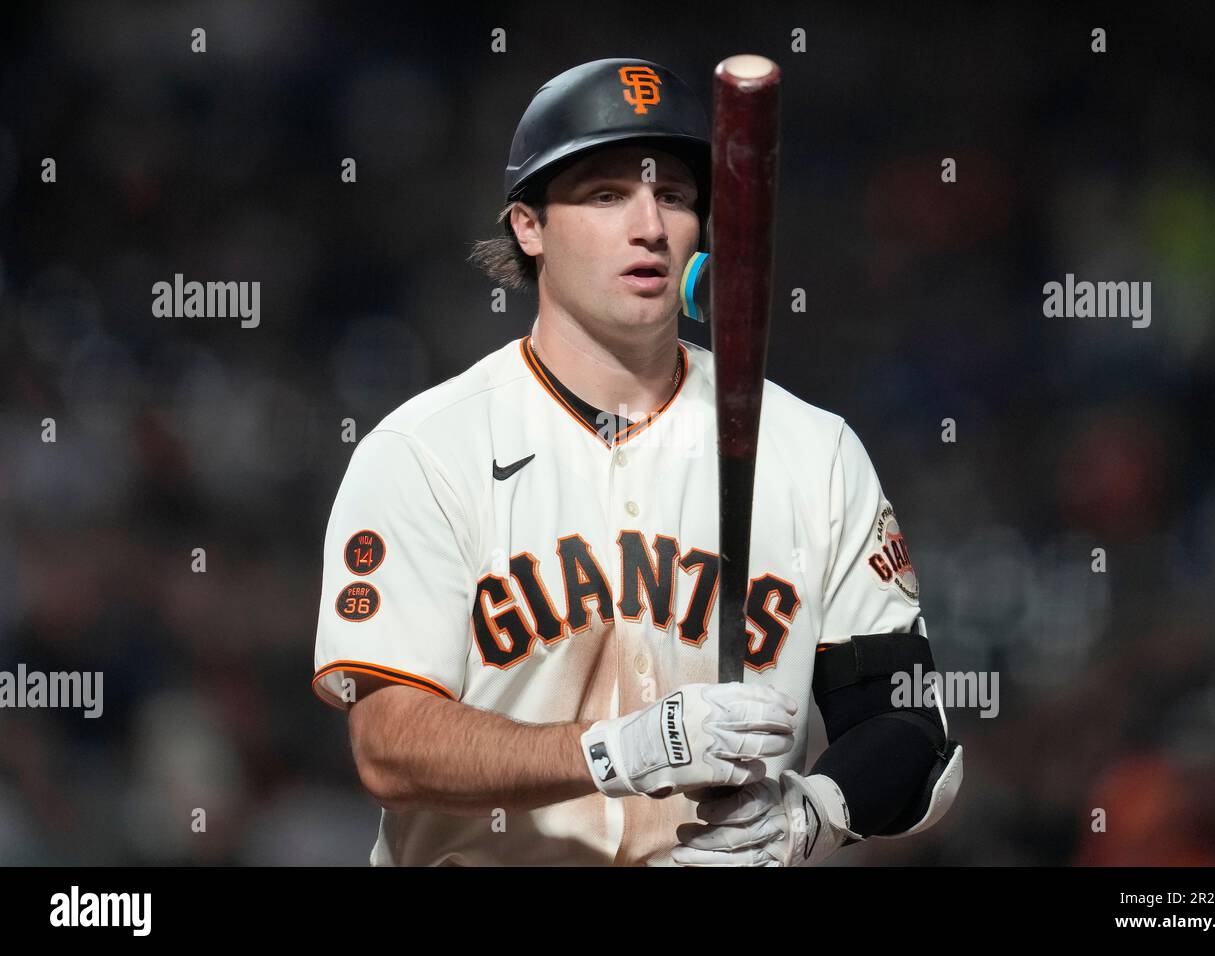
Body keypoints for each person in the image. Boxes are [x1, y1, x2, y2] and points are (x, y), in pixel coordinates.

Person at [311, 57, 962, 866]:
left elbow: (908, 727)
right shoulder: (424, 452)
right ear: (528, 225)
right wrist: (615, 751)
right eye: (606, 194)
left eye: (676, 196)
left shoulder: (811, 451)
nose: (650, 224)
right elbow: (388, 744)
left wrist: (812, 814)